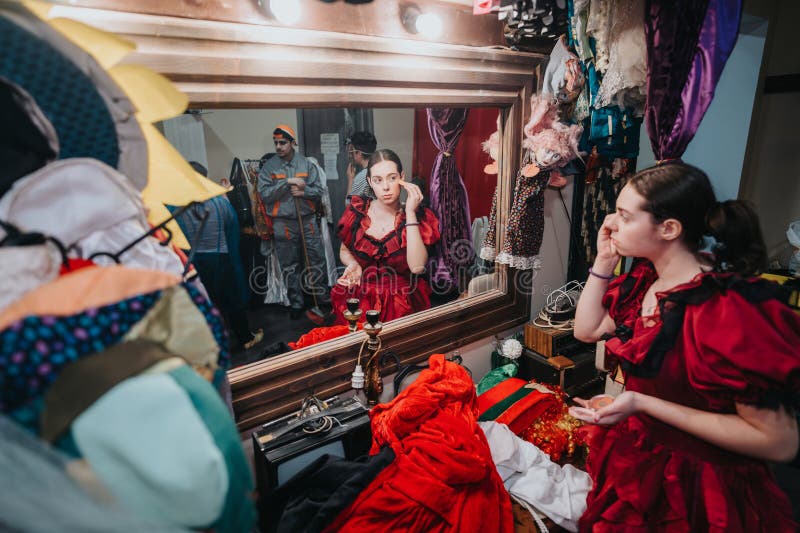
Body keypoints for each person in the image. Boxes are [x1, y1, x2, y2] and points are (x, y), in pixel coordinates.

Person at [571, 162, 800, 532]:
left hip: (703, 487)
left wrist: (643, 403)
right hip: (645, 463)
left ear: (669, 229)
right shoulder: (648, 280)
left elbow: (779, 443)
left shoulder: (723, 310)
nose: (611, 223)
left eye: (626, 217)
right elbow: (587, 329)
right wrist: (603, 261)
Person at [331, 148, 440, 324]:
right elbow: (344, 251)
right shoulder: (357, 213)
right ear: (369, 182)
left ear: (402, 178)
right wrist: (353, 264)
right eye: (378, 180)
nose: (386, 187)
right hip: (362, 300)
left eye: (392, 178)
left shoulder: (418, 216)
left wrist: (410, 213)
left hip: (402, 304)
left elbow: (417, 267)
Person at [175, 162, 264, 351]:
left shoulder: (177, 205)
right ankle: (245, 338)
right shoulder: (219, 202)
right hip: (219, 256)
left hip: (192, 260)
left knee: (203, 302)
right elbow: (232, 227)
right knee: (232, 301)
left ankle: (209, 344)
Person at [257, 125, 328, 322]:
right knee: (290, 265)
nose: (279, 147)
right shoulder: (269, 168)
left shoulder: (306, 164)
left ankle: (321, 299)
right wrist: (286, 182)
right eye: (276, 143)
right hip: (283, 223)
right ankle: (296, 303)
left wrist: (304, 191)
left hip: (307, 221)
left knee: (316, 259)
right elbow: (264, 195)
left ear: (292, 143)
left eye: (283, 143)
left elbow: (319, 191)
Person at [345, 131, 377, 200]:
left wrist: (351, 179)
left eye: (352, 151)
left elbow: (349, 204)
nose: (351, 154)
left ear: (359, 153)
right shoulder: (379, 169)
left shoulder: (363, 176)